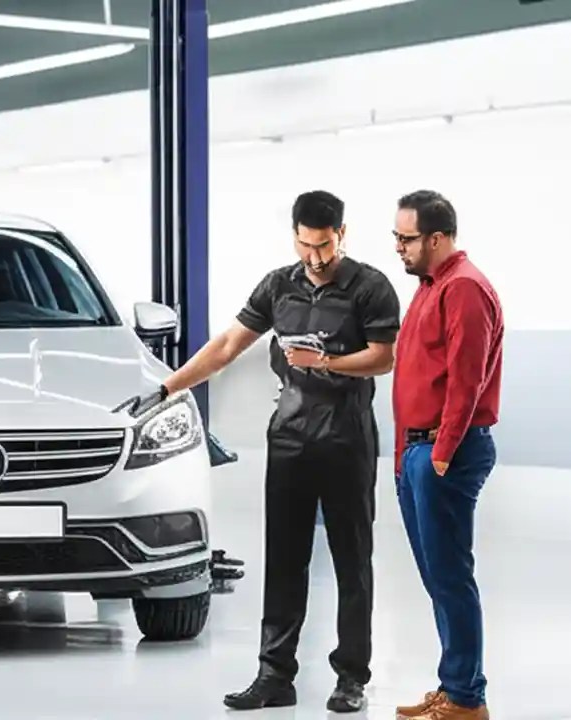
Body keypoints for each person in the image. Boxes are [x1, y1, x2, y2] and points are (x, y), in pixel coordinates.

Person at [129, 190, 401, 713]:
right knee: (284, 560)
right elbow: (228, 346)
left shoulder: (370, 287)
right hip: (290, 439)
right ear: (294, 236)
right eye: (305, 245)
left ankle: (351, 678)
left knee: (351, 561)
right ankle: (274, 675)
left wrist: (325, 363)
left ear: (342, 234)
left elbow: (383, 358)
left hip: (347, 439)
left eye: (323, 246)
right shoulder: (279, 285)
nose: (315, 257)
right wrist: (167, 388)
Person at [390, 190, 504, 720]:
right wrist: (403, 456)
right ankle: (454, 683)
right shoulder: (429, 287)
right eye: (397, 237)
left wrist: (440, 452)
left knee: (451, 577)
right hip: (416, 452)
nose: (399, 247)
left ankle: (466, 700)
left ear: (437, 238)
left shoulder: (464, 289)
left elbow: (467, 378)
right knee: (437, 577)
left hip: (444, 454)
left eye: (407, 238)